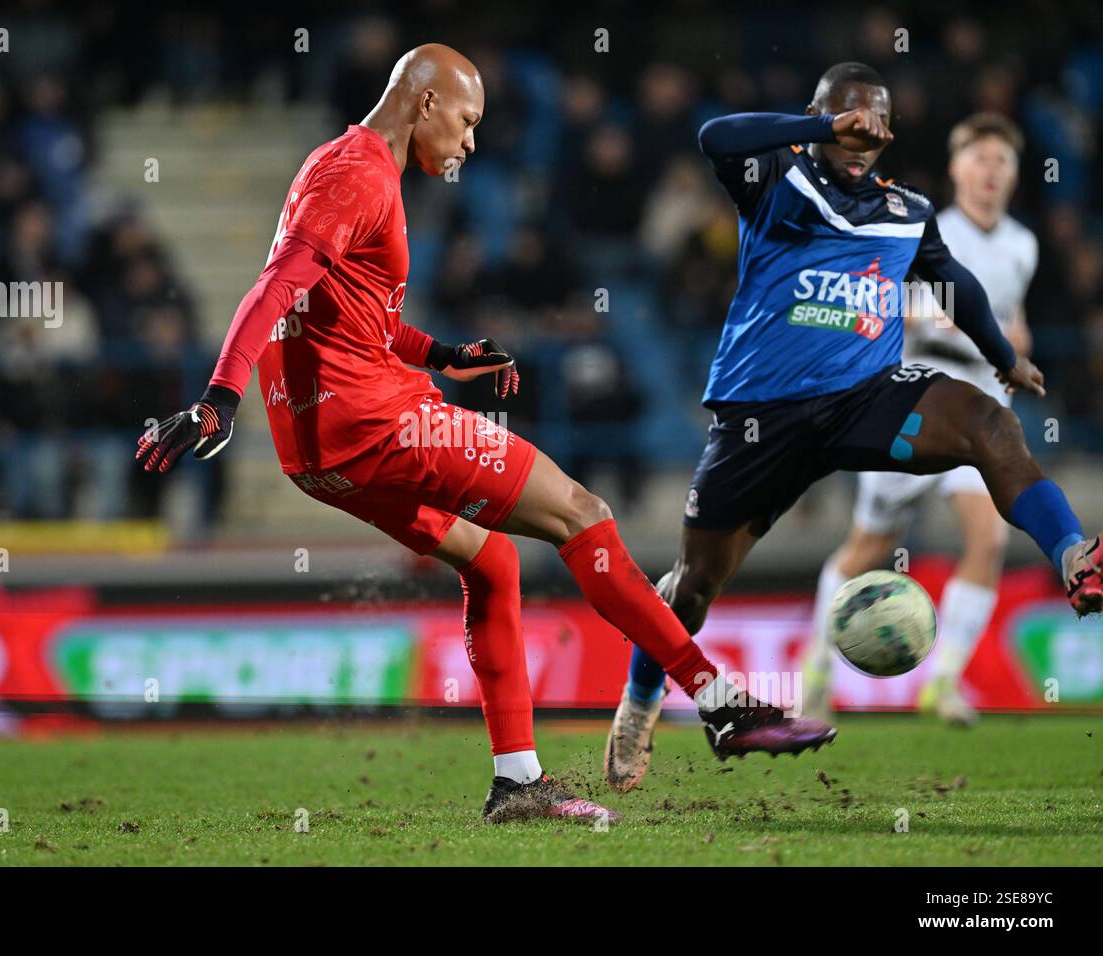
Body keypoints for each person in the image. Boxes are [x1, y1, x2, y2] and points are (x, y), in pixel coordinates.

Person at [136, 44, 834, 823]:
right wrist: (217, 399)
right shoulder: (361, 175)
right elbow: (275, 288)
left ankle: (518, 784)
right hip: (376, 422)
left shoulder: (336, 168)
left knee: (494, 561)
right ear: (426, 104)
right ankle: (719, 700)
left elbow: (348, 316)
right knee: (582, 512)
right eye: (467, 122)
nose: (471, 143)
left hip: (321, 454)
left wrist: (442, 354)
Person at [605, 63, 1101, 794]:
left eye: (874, 121)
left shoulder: (908, 210)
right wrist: (816, 130)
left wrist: (1003, 357)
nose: (861, 131)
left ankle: (1071, 554)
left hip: (865, 398)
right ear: (820, 118)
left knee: (989, 423)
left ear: (891, 134)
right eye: (846, 117)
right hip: (760, 418)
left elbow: (950, 280)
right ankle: (639, 702)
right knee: (693, 587)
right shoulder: (776, 180)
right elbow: (715, 135)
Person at [802, 113, 1038, 727]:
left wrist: (1013, 343)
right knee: (870, 547)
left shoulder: (1023, 245)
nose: (991, 171)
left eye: (1002, 162)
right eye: (979, 159)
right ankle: (817, 670)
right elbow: (888, 306)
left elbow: (1014, 322)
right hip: (916, 397)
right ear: (957, 169)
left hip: (984, 406)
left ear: (1013, 176)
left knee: (989, 539)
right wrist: (947, 324)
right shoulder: (924, 228)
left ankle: (944, 682)